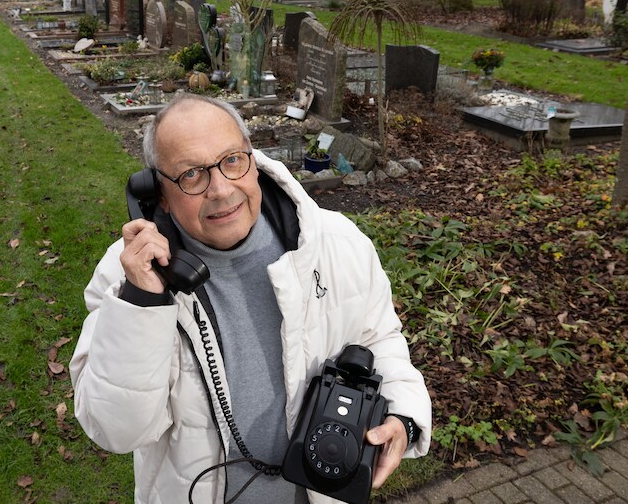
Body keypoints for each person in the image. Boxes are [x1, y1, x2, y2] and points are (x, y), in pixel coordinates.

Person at [70, 94, 431, 503]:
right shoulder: (127, 275)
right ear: (159, 195)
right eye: (192, 175)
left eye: (232, 160)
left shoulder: (336, 243)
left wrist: (403, 415)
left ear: (253, 161)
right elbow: (116, 429)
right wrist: (143, 301)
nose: (221, 190)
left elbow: (380, 338)